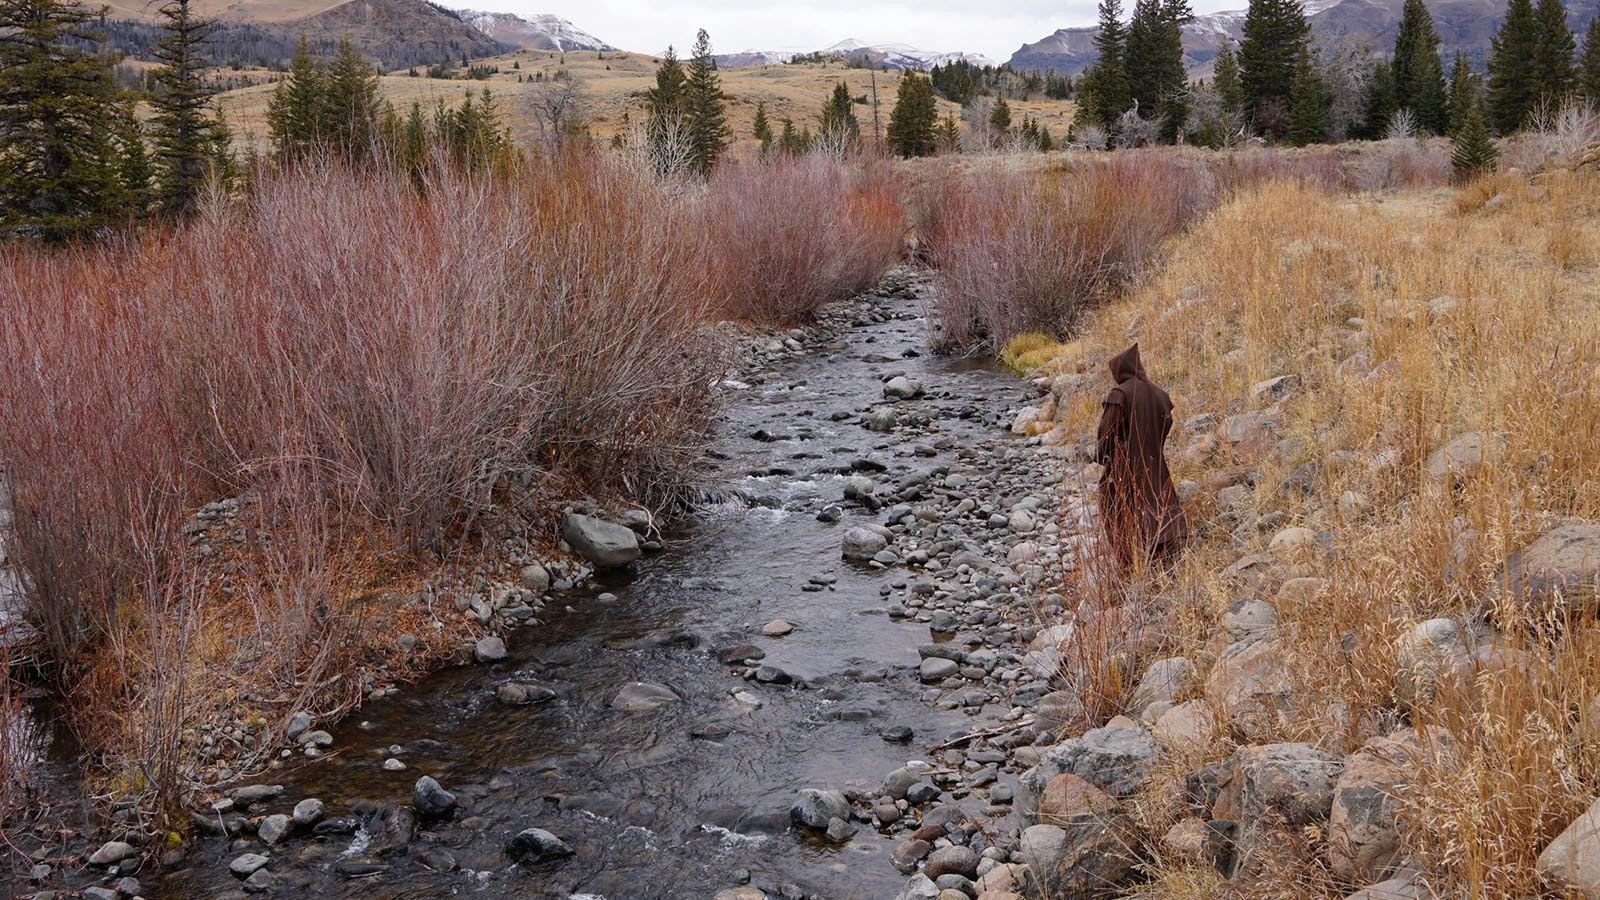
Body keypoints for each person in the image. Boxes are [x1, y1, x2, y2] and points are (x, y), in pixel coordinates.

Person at [1095, 343, 1186, 570]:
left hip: (1124, 464)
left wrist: (1102, 455)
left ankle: (1130, 562)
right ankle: (1163, 551)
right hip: (1154, 460)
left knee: (1115, 506)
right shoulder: (1158, 394)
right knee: (1157, 499)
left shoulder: (1120, 394)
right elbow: (1166, 424)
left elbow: (1106, 432)